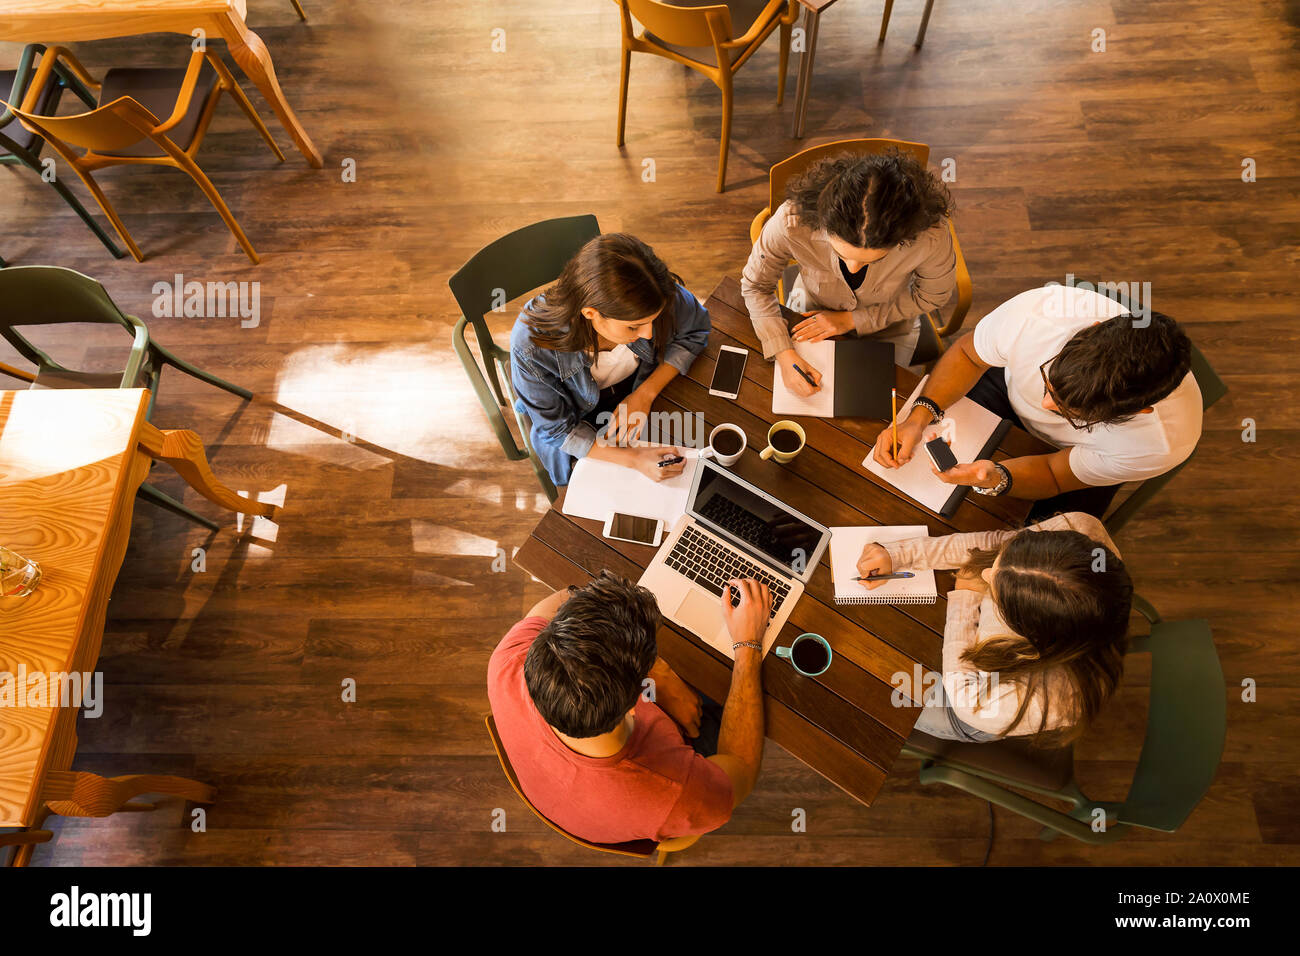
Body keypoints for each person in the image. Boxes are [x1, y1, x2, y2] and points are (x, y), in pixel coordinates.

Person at [871, 283, 1203, 521]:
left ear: (1137, 411)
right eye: (1050, 381)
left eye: (1073, 413)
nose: (1045, 405)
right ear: (1091, 329)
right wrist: (919, 416)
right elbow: (969, 355)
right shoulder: (1038, 316)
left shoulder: (1158, 445)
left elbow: (1055, 473)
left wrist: (997, 478)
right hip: (1003, 391)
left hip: (1083, 462)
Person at [487, 571, 770, 845]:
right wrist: (748, 644)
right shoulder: (676, 793)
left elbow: (563, 600)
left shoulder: (509, 659)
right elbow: (742, 769)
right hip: (649, 797)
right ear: (639, 701)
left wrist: (657, 672)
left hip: (569, 797)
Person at [857, 513, 1131, 743]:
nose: (986, 574)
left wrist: (965, 594)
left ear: (1026, 630)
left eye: (996, 594)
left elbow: (962, 694)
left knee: (871, 687)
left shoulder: (1037, 700)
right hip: (989, 667)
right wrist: (901, 554)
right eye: (1001, 561)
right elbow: (993, 545)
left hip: (967, 704)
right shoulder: (1079, 531)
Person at [741, 149, 957, 396]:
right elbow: (755, 286)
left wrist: (853, 320)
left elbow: (932, 297)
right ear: (823, 221)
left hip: (891, 325)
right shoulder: (792, 220)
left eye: (876, 259)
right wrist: (782, 351)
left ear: (904, 236)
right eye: (842, 255)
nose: (853, 269)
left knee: (870, 404)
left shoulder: (930, 235)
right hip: (810, 312)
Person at [510, 233, 711, 486]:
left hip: (641, 389)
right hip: (578, 421)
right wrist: (635, 459)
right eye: (634, 327)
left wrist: (644, 394)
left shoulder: (654, 294)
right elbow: (557, 431)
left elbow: (695, 331)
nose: (650, 334)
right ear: (591, 313)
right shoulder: (531, 346)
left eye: (653, 320)